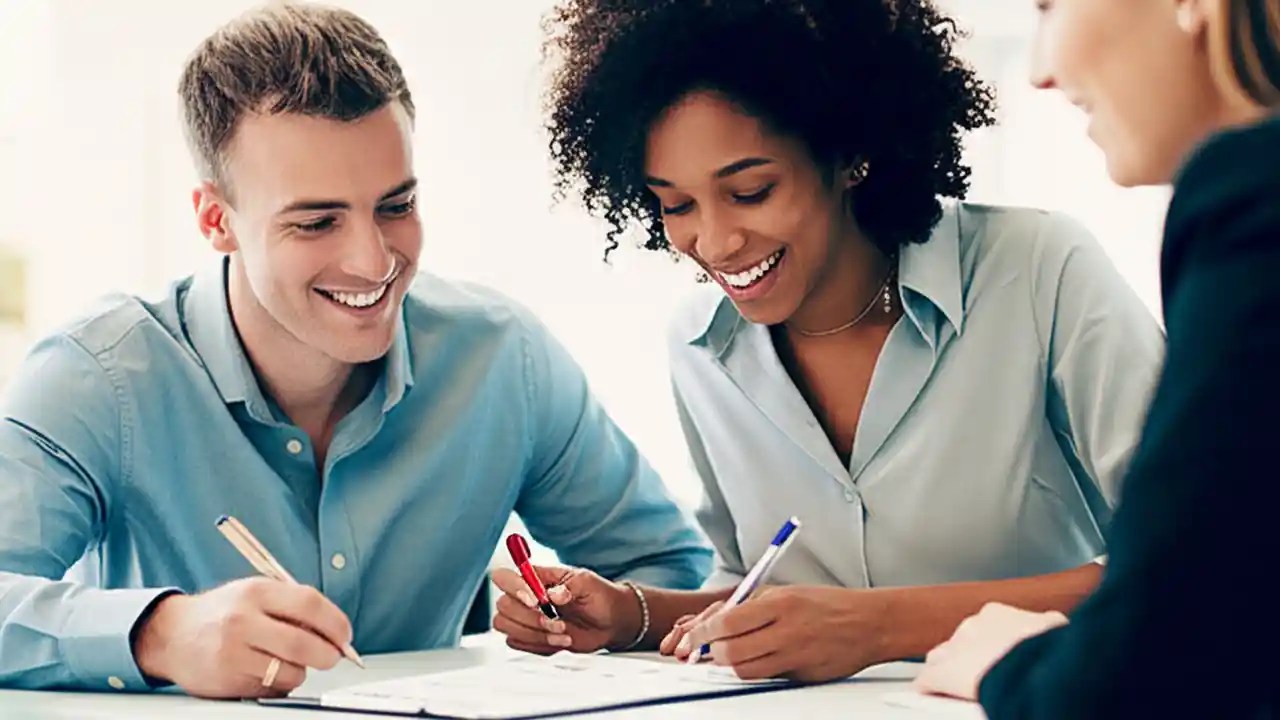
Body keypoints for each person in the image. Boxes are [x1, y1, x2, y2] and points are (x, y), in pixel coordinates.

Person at [0, 2, 710, 699]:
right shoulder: (99, 378)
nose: (374, 262)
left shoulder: (502, 361)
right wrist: (163, 633)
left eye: (396, 207)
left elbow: (676, 577)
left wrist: (607, 613)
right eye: (316, 223)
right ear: (217, 219)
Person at [490, 0, 1165, 682]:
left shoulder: (1037, 271)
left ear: (849, 156)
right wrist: (635, 613)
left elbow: (1196, 554)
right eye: (676, 205)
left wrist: (875, 626)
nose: (716, 243)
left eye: (751, 191)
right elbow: (759, 591)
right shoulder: (701, 348)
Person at [914, 1, 1279, 717]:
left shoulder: (1253, 201)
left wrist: (1014, 665)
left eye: (1052, 4)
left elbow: (1146, 670)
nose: (1043, 71)